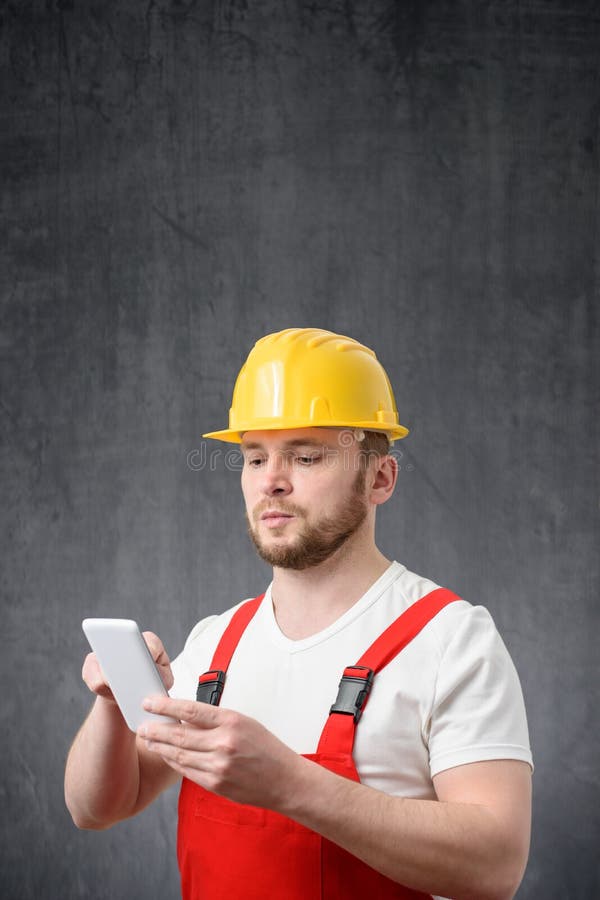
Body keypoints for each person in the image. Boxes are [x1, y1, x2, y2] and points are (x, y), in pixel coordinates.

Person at [65, 327, 533, 900]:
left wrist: (291, 785)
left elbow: (495, 867)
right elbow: (97, 808)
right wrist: (112, 706)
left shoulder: (450, 639)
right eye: (255, 456)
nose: (271, 481)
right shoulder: (216, 644)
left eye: (306, 456)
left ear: (379, 478)